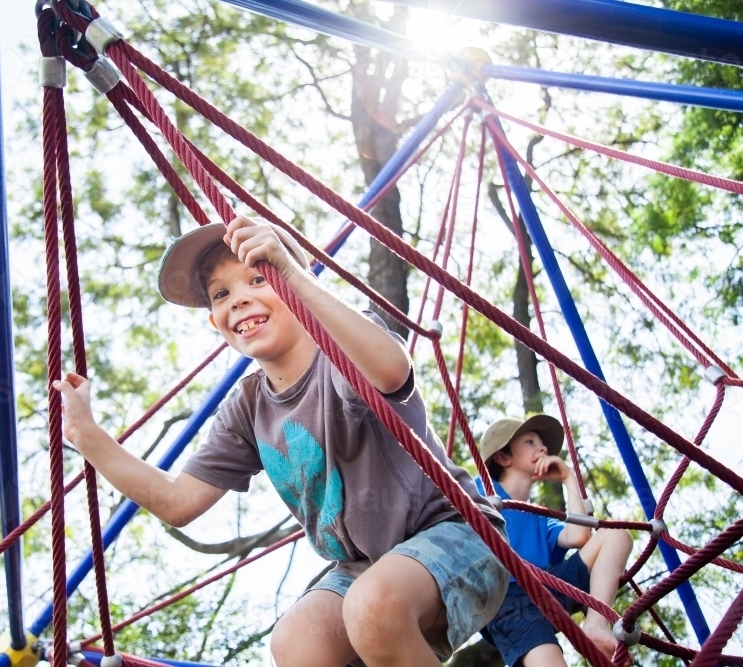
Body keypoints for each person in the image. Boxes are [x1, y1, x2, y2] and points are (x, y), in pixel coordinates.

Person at [54, 215, 509, 667]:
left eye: (258, 276)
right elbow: (179, 502)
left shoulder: (341, 345)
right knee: (296, 643)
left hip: (456, 534)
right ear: (215, 322)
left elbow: (391, 370)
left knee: (372, 607)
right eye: (222, 294)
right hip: (363, 569)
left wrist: (291, 271)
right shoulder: (247, 407)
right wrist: (87, 436)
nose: (240, 299)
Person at [477, 415, 634, 666]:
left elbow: (580, 536)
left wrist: (568, 477)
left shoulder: (538, 517)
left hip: (548, 587)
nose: (542, 448)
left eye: (541, 443)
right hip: (507, 602)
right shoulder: (478, 492)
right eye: (530, 442)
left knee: (616, 535)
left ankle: (595, 625)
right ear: (503, 457)